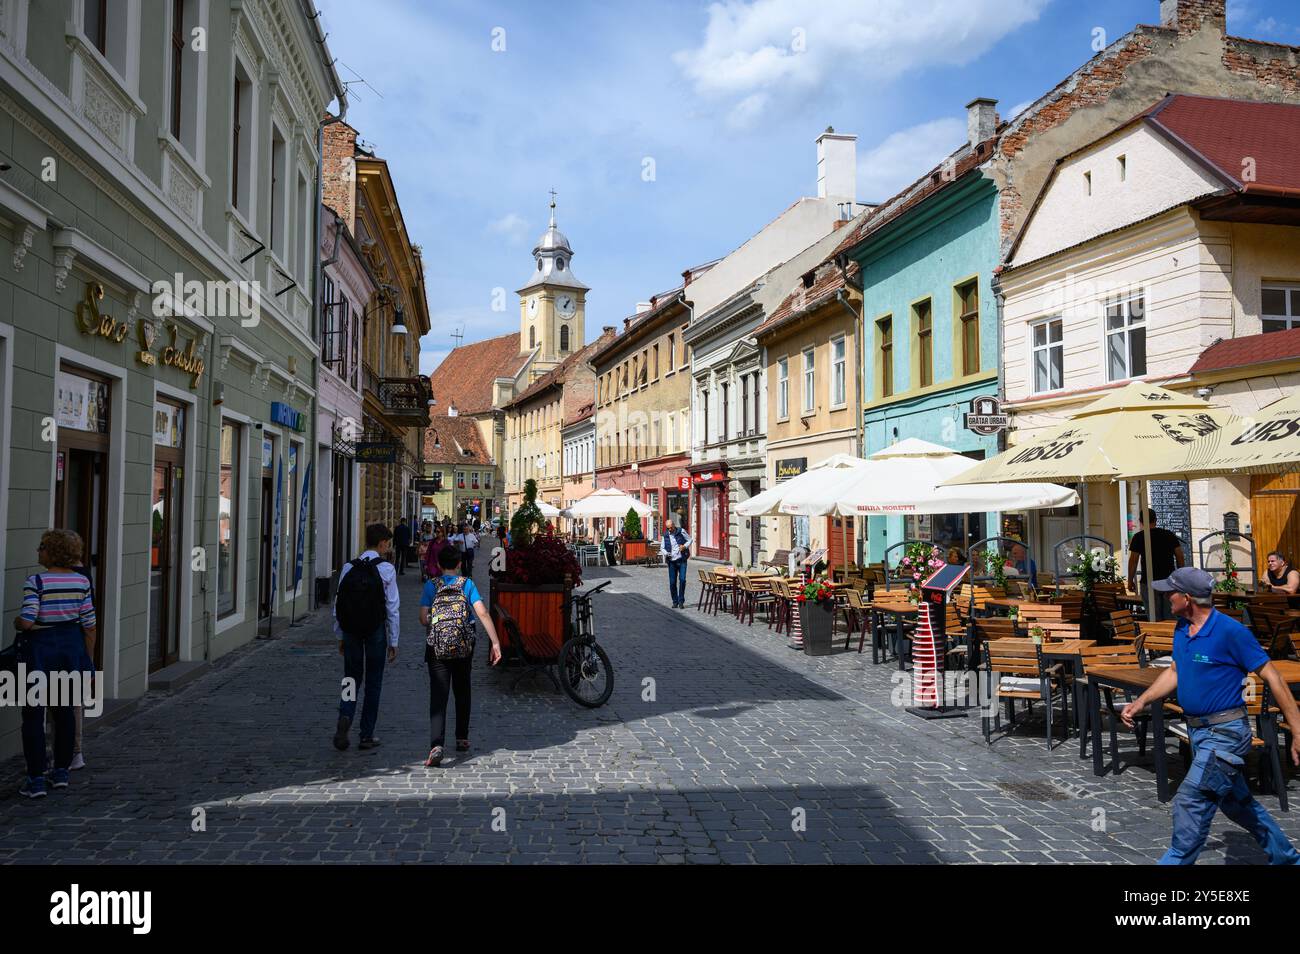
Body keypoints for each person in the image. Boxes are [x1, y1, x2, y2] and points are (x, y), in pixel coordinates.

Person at [1121, 567, 1300, 865]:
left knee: (1191, 802)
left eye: (1170, 592)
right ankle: (1288, 859)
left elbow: (1274, 678)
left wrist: (1297, 729)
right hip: (1199, 734)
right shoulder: (1182, 628)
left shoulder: (1231, 632)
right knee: (1236, 803)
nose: (1166, 596)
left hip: (1226, 734)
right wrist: (1141, 701)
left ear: (1187, 598)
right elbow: (1176, 671)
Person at [15, 530, 96, 798]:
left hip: (40, 652)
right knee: (63, 714)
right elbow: (89, 624)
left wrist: (18, 623)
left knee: (33, 716)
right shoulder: (81, 582)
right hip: (69, 651)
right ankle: (61, 772)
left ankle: (35, 778)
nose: (39, 551)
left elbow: (27, 620)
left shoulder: (36, 581)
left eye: (42, 547)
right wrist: (88, 659)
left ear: (52, 552)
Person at [420, 546, 502, 767]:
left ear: (438, 565)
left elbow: (423, 618)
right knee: (463, 688)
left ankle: (436, 745)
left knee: (439, 694)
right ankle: (462, 738)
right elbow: (482, 612)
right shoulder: (467, 584)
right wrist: (495, 642)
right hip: (464, 644)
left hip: (436, 647)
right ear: (459, 564)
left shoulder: (431, 585)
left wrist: (438, 621)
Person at [332, 523, 400, 751]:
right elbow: (392, 608)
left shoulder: (348, 567)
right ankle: (366, 734)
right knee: (373, 681)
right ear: (381, 543)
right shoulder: (387, 569)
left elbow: (338, 604)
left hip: (351, 629)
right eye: (387, 544)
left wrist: (340, 634)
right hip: (375, 630)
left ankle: (345, 714)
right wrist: (394, 641)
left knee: (350, 677)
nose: (387, 548)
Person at [1127, 508, 1185, 621]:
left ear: (1141, 521)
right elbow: (1180, 556)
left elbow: (1133, 561)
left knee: (1153, 618)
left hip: (1149, 582)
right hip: (1169, 581)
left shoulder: (1139, 537)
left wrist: (1130, 580)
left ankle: (1156, 637)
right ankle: (1170, 638)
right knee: (1170, 617)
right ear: (1156, 520)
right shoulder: (1169, 535)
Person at [661, 519, 692, 609]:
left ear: (674, 525)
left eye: (671, 528)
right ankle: (675, 601)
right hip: (671, 561)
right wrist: (666, 553)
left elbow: (690, 539)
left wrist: (684, 546)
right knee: (672, 582)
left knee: (682, 580)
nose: (669, 530)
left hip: (682, 560)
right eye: (668, 528)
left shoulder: (681, 531)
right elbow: (662, 547)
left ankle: (681, 601)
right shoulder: (665, 535)